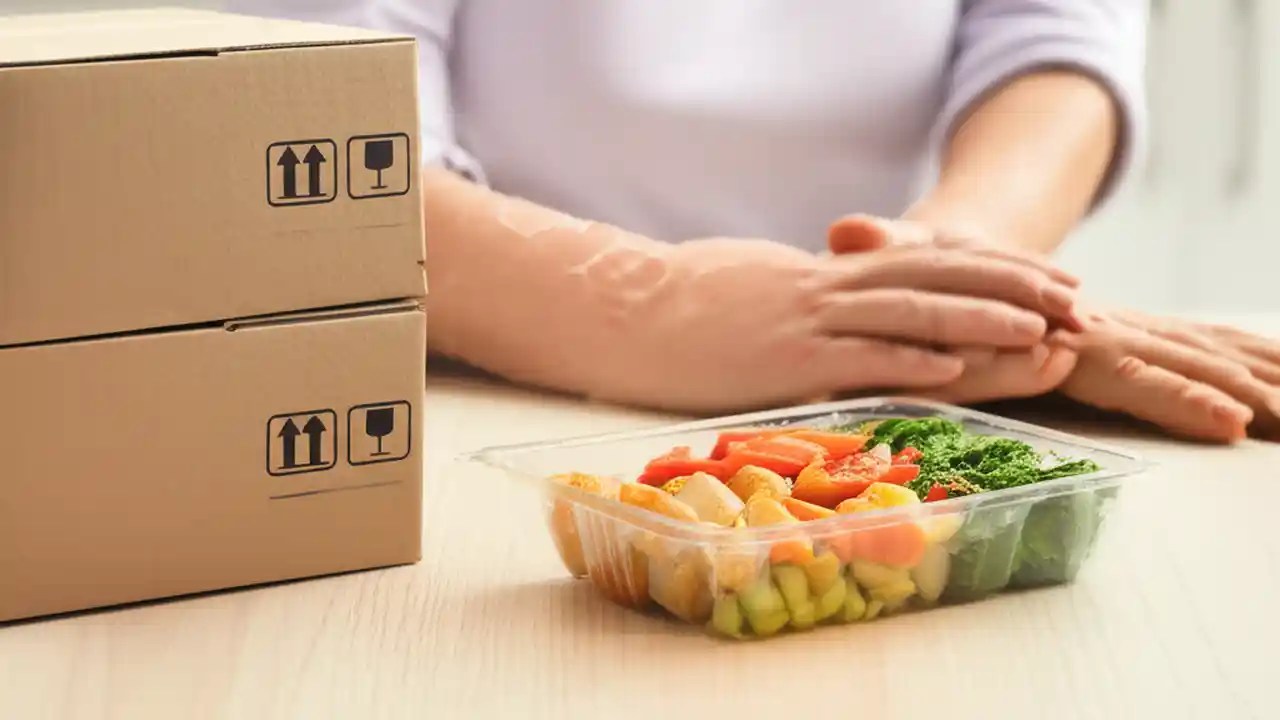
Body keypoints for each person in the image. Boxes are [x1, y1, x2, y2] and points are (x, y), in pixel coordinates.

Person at [231, 0, 1280, 443]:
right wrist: (643, 307)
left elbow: (1049, 39)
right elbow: (310, 138)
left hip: (881, 401)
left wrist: (953, 278)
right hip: (472, 390)